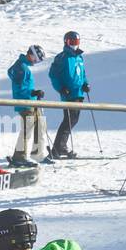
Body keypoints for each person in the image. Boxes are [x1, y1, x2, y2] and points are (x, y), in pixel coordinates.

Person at [48, 30, 87, 159]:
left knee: (72, 120)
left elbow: (82, 74)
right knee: (70, 120)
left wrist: (85, 84)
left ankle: (59, 147)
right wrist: (61, 88)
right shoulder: (62, 57)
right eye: (72, 42)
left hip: (79, 93)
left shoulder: (79, 57)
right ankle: (59, 147)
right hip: (69, 94)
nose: (75, 45)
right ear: (66, 42)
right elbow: (53, 74)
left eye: (76, 42)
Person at [7, 45, 48, 165]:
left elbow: (10, 73)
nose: (36, 62)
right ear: (31, 55)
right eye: (36, 59)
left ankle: (37, 154)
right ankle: (19, 157)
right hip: (25, 103)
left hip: (31, 101)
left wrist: (33, 93)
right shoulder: (21, 68)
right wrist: (32, 92)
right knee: (27, 129)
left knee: (39, 126)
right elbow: (19, 88)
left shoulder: (22, 66)